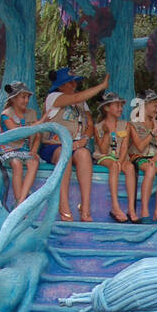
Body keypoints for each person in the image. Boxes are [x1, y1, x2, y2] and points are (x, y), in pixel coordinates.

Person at [40, 67, 108, 221]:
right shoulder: (54, 97)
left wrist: (84, 139)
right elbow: (76, 98)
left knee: (84, 155)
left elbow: (89, 124)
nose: (73, 85)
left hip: (77, 145)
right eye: (69, 83)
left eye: (74, 83)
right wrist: (101, 87)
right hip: (54, 145)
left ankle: (85, 207)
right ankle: (63, 206)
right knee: (65, 157)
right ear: (60, 85)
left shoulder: (82, 103)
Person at [94, 92, 139, 223]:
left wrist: (120, 161)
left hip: (120, 157)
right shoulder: (98, 127)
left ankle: (131, 208)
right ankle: (115, 206)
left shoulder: (125, 125)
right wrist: (107, 133)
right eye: (117, 105)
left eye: (121, 106)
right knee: (113, 166)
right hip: (104, 156)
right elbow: (102, 150)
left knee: (130, 167)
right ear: (106, 108)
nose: (120, 108)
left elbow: (124, 146)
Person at [130, 89, 157, 223]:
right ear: (144, 106)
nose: (156, 110)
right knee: (150, 169)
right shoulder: (133, 124)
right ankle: (144, 211)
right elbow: (140, 147)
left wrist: (154, 159)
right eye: (154, 106)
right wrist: (152, 133)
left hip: (154, 158)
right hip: (139, 156)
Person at [0, 81, 40, 205]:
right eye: (23, 97)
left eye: (27, 97)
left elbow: (38, 134)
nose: (26, 100)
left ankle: (21, 201)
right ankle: (19, 201)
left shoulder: (31, 113)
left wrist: (34, 150)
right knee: (16, 164)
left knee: (33, 163)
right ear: (14, 99)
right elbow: (18, 132)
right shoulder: (6, 115)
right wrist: (40, 122)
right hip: (10, 149)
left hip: (25, 150)